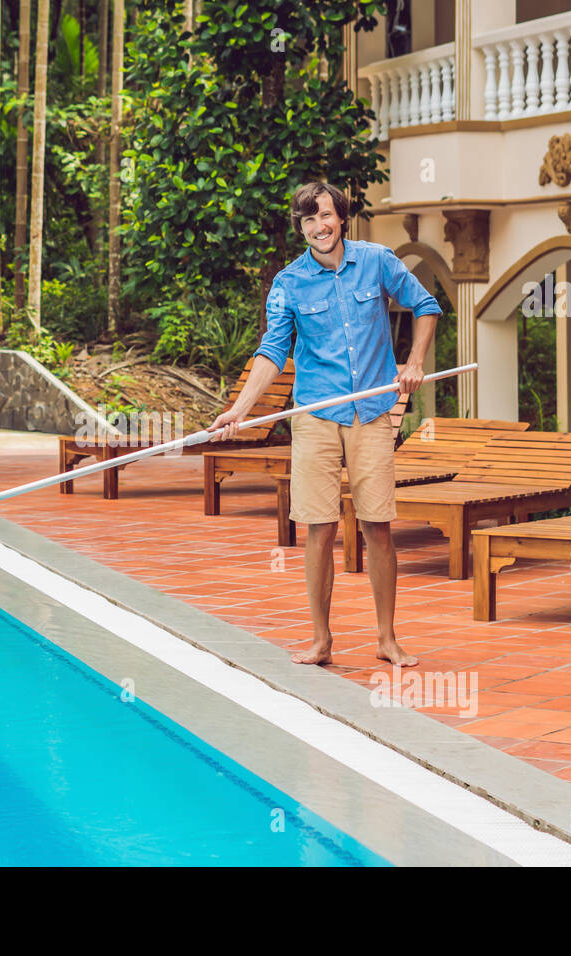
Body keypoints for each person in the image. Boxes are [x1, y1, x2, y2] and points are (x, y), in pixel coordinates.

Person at [209, 182, 440, 667]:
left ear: (342, 218)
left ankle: (386, 638)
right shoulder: (289, 283)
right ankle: (321, 640)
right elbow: (273, 351)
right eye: (309, 220)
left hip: (373, 411)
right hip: (315, 414)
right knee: (319, 527)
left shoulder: (377, 261)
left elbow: (425, 305)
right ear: (301, 227)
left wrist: (413, 361)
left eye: (327, 216)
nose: (320, 227)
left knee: (377, 525)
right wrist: (241, 410)